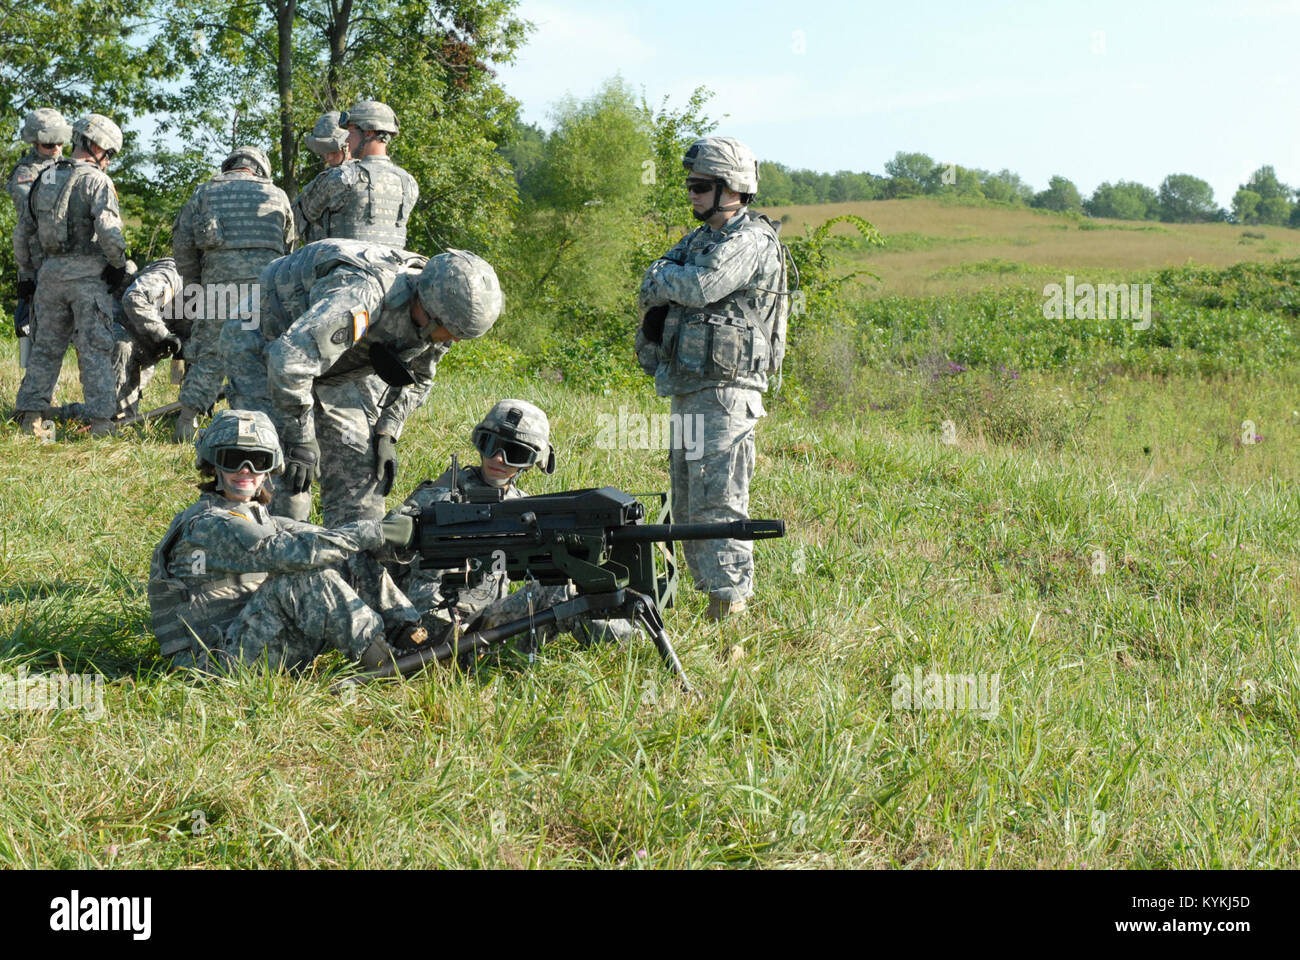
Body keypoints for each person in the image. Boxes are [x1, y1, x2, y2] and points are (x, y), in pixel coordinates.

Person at [226, 239, 501, 525]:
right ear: (429, 309)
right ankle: (259, 553)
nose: (454, 340)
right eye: (452, 331)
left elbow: (419, 377)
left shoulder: (447, 316)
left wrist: (387, 432)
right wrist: (301, 442)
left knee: (363, 480)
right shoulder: (360, 296)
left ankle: (351, 565)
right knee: (285, 489)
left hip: (335, 363)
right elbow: (289, 363)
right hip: (262, 344)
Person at [634, 136, 790, 621]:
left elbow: (701, 286)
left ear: (732, 188)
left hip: (726, 395)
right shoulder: (703, 240)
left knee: (719, 505)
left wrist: (667, 280)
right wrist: (666, 279)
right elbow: (652, 278)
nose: (692, 194)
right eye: (691, 185)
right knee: (688, 506)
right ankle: (715, 608)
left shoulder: (749, 241)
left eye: (701, 186)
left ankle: (731, 617)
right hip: (691, 388)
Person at [148, 408, 426, 673]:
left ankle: (414, 636)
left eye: (257, 462)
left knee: (347, 557)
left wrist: (395, 534)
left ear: (269, 469)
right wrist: (372, 532)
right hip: (212, 662)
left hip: (245, 640)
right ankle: (389, 665)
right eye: (233, 460)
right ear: (213, 465)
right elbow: (291, 554)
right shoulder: (208, 525)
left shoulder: (253, 517)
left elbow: (322, 539)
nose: (245, 471)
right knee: (302, 576)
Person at [389, 399, 637, 649]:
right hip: (433, 633)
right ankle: (630, 644)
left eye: (514, 454)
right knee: (557, 594)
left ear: (533, 461)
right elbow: (381, 556)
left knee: (564, 585)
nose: (498, 459)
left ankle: (629, 632)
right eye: (490, 446)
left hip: (482, 626)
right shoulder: (435, 499)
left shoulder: (523, 508)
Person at [13, 114, 128, 437]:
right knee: (95, 350)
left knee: (44, 350)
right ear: (97, 145)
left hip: (48, 277)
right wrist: (118, 264)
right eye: (110, 153)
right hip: (88, 279)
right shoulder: (96, 181)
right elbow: (108, 230)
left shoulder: (44, 178)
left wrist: (27, 274)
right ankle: (103, 426)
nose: (109, 161)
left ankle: (30, 419)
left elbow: (23, 233)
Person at [171, 145, 294, 441]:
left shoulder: (205, 193)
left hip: (218, 287)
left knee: (210, 354)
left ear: (230, 166)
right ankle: (261, 429)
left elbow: (183, 245)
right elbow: (289, 248)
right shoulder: (276, 195)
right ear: (260, 168)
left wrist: (195, 285)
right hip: (263, 291)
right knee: (260, 355)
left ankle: (187, 424)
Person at [293, 100, 418, 248]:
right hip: (392, 268)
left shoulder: (342, 178)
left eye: (350, 133)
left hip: (346, 267)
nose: (346, 139)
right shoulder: (409, 182)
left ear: (368, 133)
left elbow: (301, 213)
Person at [7, 108, 72, 369]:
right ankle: (33, 398)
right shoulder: (26, 172)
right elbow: (32, 210)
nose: (56, 148)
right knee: (36, 332)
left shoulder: (72, 167)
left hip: (72, 260)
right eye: (48, 144)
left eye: (60, 142)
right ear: (34, 142)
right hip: (39, 263)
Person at [292, 111, 349, 246]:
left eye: (333, 150)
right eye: (324, 151)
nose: (328, 157)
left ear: (347, 144)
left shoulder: (336, 178)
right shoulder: (328, 178)